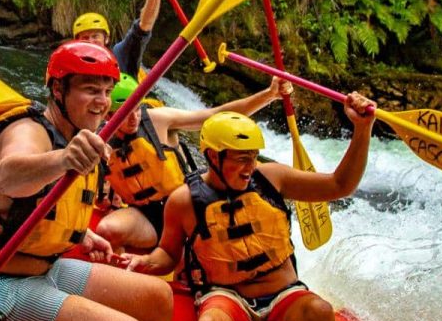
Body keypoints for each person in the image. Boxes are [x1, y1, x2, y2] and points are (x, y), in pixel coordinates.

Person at [0, 42, 173, 321]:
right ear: (57, 89)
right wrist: (64, 159)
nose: (102, 102)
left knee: (159, 297)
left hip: (43, 270)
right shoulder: (28, 130)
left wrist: (84, 234)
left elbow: (42, 210)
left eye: (107, 91)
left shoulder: (74, 133)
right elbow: (10, 176)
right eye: (90, 90)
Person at [126, 100, 376, 321]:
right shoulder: (183, 201)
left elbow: (339, 186)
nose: (250, 167)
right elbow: (167, 254)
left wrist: (362, 129)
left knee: (319, 312)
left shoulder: (273, 179)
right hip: (226, 297)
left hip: (282, 296)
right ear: (212, 156)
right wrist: (143, 262)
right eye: (241, 159)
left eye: (254, 157)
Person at [96, 74, 295, 253]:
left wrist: (269, 95)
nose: (134, 118)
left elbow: (216, 116)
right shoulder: (102, 140)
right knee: (107, 230)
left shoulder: (158, 120)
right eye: (125, 113)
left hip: (189, 207)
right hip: (148, 215)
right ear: (108, 116)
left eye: (137, 109)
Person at [72, 0, 171, 77]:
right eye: (85, 38)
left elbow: (144, 26)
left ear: (106, 39)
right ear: (77, 43)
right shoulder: (72, 69)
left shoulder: (120, 55)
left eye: (95, 36)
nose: (90, 42)